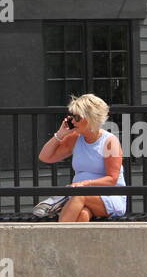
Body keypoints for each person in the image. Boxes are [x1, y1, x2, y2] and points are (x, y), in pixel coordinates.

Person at [37, 93, 127, 222]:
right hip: (80, 196)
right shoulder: (75, 138)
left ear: (90, 118)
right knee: (83, 214)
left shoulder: (110, 142)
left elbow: (112, 179)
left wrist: (83, 184)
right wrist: (60, 134)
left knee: (79, 196)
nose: (72, 121)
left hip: (109, 196)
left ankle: (57, 237)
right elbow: (45, 157)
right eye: (72, 117)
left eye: (77, 117)